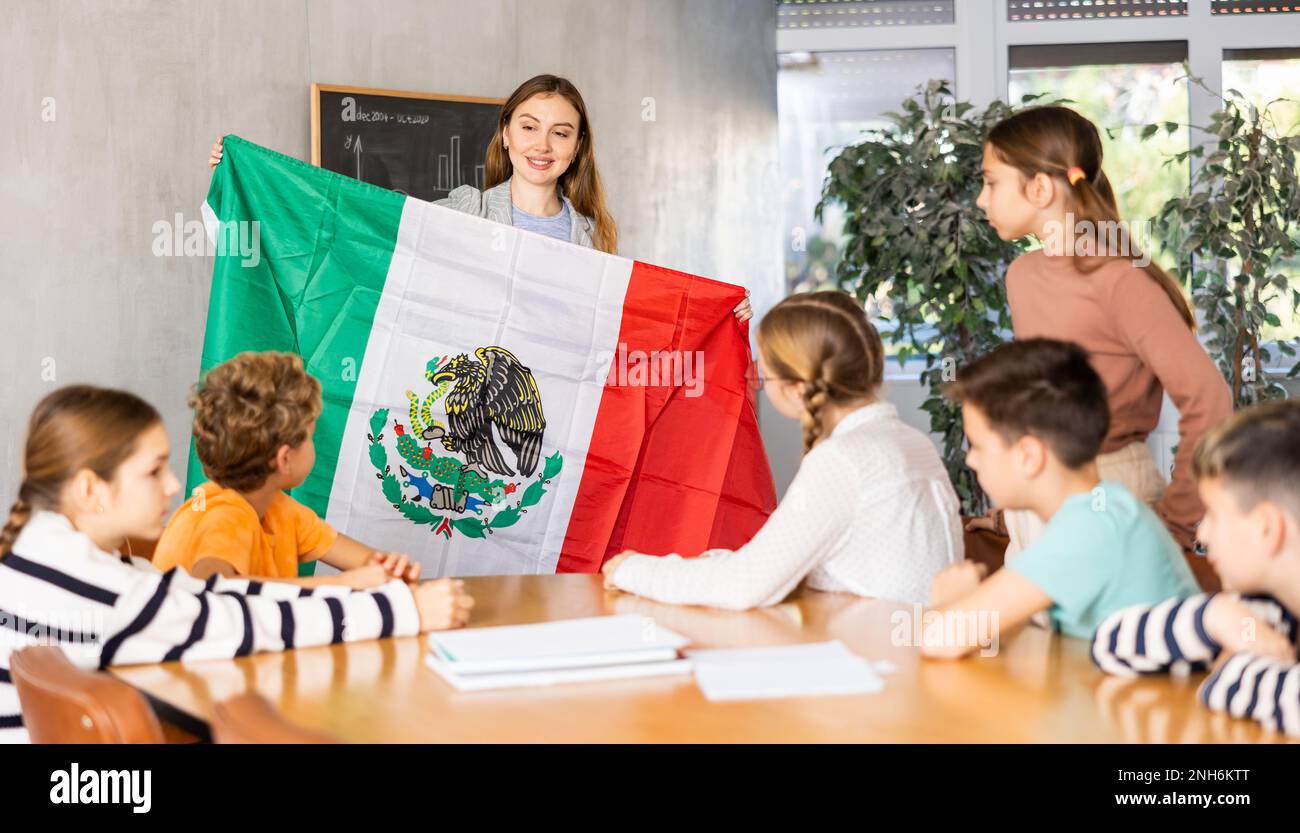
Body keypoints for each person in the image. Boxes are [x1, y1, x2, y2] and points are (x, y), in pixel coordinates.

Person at [602, 290, 963, 608]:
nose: (756, 379)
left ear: (797, 390)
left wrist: (632, 569)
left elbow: (745, 585)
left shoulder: (842, 460)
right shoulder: (909, 442)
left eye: (766, 371)